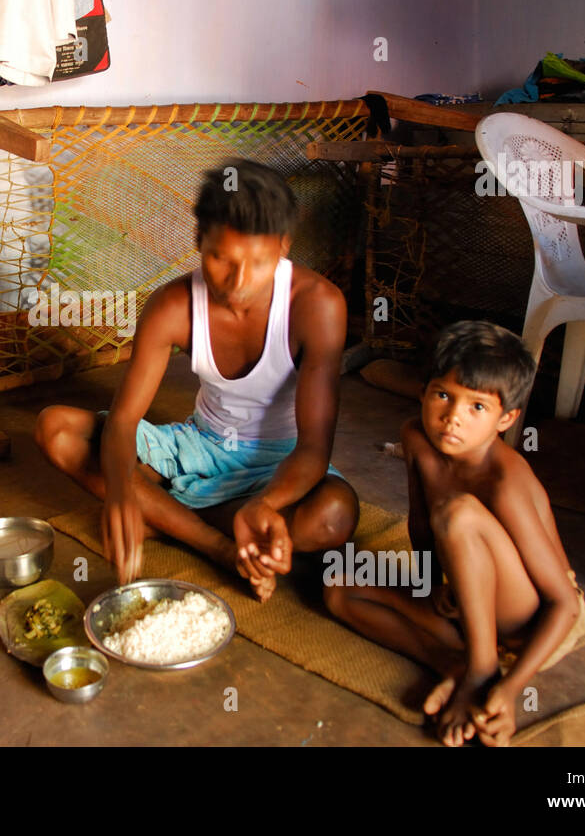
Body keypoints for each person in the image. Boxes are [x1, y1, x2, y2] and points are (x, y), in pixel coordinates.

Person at [35, 161, 358, 601]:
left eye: (258, 263)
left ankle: (171, 517)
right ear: (198, 241)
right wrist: (119, 496)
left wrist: (266, 504)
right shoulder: (172, 306)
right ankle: (221, 547)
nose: (237, 284)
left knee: (333, 516)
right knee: (56, 430)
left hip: (280, 464)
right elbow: (125, 422)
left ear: (284, 246)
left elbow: (314, 447)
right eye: (219, 259)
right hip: (199, 449)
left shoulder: (318, 305)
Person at [323, 321, 585, 747]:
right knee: (339, 585)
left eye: (477, 407)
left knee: (459, 513)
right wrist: (433, 587)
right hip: (468, 602)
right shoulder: (416, 436)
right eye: (442, 395)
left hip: (533, 618)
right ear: (423, 391)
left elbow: (564, 605)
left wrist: (511, 688)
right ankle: (456, 666)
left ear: (507, 419)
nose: (452, 418)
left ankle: (485, 673)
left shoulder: (505, 482)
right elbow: (421, 525)